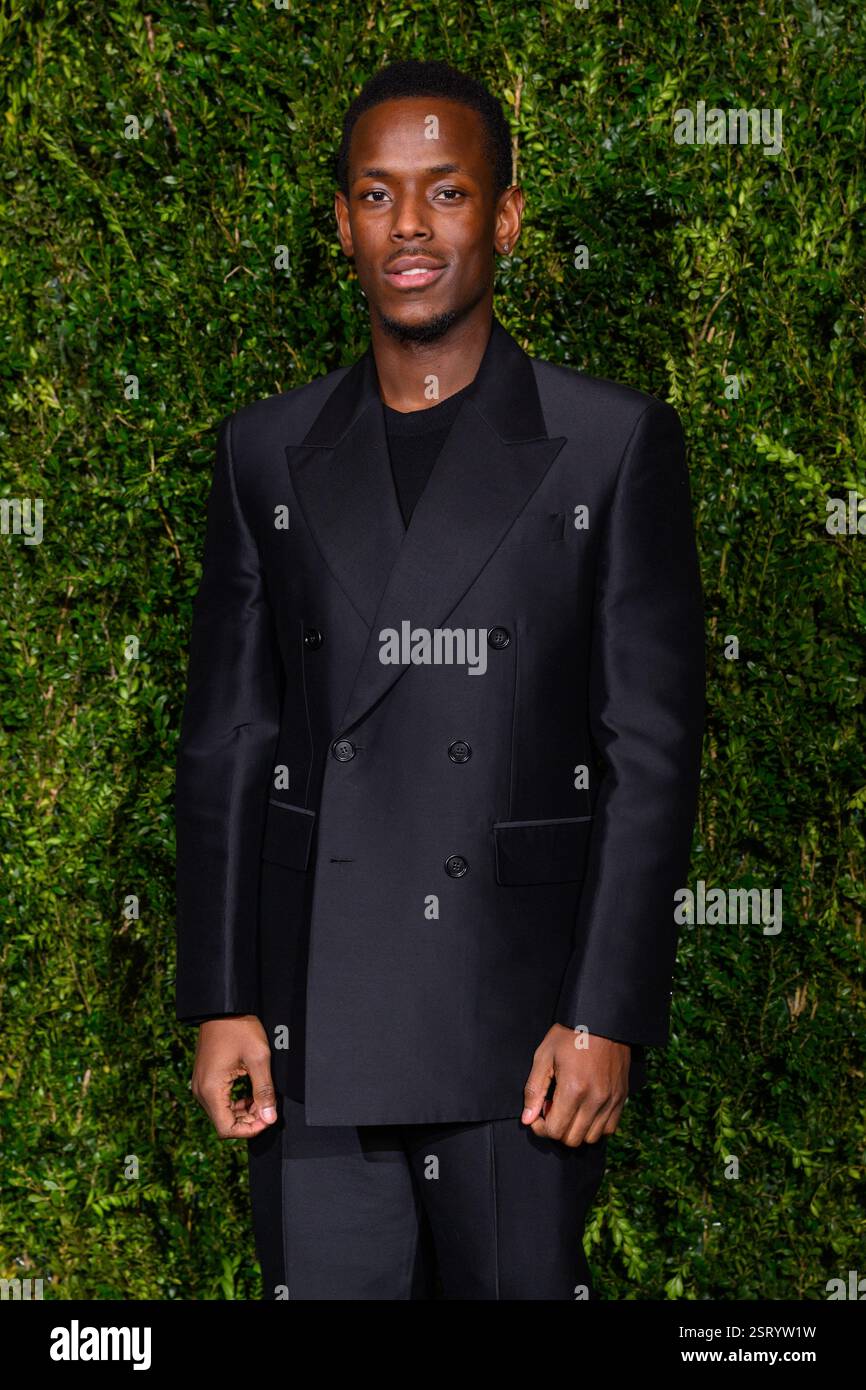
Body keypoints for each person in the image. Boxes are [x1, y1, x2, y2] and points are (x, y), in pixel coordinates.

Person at [174, 59, 705, 1300]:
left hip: (520, 1035)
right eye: (375, 193)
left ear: (506, 217)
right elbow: (230, 738)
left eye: (447, 191)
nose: (408, 225)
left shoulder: (611, 442)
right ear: (343, 224)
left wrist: (602, 1012)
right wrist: (222, 996)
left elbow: (648, 749)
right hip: (315, 1023)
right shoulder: (264, 451)